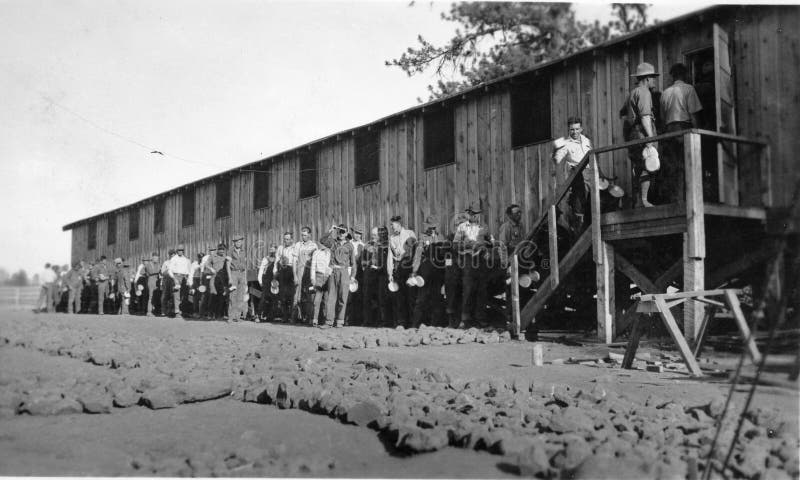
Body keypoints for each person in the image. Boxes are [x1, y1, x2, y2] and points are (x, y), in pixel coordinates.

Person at [660, 62, 703, 203]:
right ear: (684, 74)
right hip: (684, 128)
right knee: (689, 164)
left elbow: (662, 118)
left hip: (669, 131)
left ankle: (677, 200)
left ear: (673, 76)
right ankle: (690, 199)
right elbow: (694, 115)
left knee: (674, 166)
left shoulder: (665, 93)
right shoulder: (689, 89)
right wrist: (698, 134)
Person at [625, 62, 661, 208]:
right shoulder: (644, 92)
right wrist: (651, 138)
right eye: (653, 78)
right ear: (647, 78)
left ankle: (638, 201)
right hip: (642, 133)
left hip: (634, 133)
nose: (654, 81)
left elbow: (624, 114)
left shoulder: (632, 93)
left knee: (638, 168)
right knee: (649, 165)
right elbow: (646, 117)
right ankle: (644, 200)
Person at [552, 117, 595, 232]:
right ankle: (581, 225)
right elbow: (557, 159)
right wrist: (556, 146)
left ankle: (590, 221)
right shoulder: (566, 143)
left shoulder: (587, 140)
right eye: (572, 130)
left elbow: (593, 157)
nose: (574, 132)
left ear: (581, 129)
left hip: (590, 173)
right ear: (568, 130)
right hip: (577, 174)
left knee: (594, 197)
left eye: (577, 129)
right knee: (579, 200)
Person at [454, 205, 490, 328]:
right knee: (468, 289)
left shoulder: (483, 227)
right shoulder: (462, 227)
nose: (475, 216)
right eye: (473, 213)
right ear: (468, 214)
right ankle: (465, 319)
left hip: (481, 260)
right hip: (468, 260)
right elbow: (455, 245)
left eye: (477, 213)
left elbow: (491, 242)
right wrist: (467, 245)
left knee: (482, 290)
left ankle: (481, 318)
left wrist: (485, 245)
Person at [411, 216, 446, 328]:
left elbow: (446, 255)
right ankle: (415, 324)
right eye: (430, 227)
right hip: (425, 271)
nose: (432, 229)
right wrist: (414, 271)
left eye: (434, 227)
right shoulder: (422, 237)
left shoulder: (441, 237)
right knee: (421, 298)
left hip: (438, 272)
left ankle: (435, 324)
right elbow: (418, 255)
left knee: (437, 298)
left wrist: (446, 271)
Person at [320, 224, 354, 328]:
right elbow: (322, 240)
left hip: (344, 272)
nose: (341, 234)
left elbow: (353, 263)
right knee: (331, 297)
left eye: (343, 232)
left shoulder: (350, 246)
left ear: (347, 233)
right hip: (333, 271)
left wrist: (352, 276)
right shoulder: (333, 242)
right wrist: (331, 229)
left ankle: (340, 321)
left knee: (342, 298)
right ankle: (329, 321)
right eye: (339, 231)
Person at [386, 215, 417, 327]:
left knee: (411, 297)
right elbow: (390, 257)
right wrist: (390, 273)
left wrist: (414, 271)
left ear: (399, 224)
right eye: (391, 225)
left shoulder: (410, 234)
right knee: (399, 298)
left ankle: (413, 322)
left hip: (408, 269)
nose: (391, 227)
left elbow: (416, 253)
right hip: (398, 270)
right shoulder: (392, 238)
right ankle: (401, 322)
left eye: (393, 225)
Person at [362, 226, 391, 327]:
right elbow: (363, 260)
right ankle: (368, 321)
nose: (373, 236)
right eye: (372, 235)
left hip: (381, 275)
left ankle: (382, 321)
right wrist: (367, 265)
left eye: (375, 235)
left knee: (381, 298)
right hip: (370, 275)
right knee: (368, 298)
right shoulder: (368, 245)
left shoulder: (386, 245)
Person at [445, 213, 469, 328]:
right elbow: (445, 254)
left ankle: (463, 321)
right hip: (452, 272)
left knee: (464, 297)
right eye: (458, 225)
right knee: (451, 296)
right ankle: (451, 322)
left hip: (465, 272)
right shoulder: (450, 238)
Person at [293, 227, 318, 323]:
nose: (303, 237)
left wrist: (313, 276)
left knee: (309, 295)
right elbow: (295, 261)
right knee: (297, 295)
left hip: (309, 273)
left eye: (305, 235)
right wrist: (295, 275)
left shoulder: (314, 245)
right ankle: (295, 317)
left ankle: (309, 317)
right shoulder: (298, 245)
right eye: (302, 235)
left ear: (309, 235)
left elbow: (315, 261)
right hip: (299, 272)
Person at [273, 232, 297, 322]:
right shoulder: (280, 248)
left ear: (291, 239)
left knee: (291, 294)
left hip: (291, 270)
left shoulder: (295, 247)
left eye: (288, 239)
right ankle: (285, 316)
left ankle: (292, 316)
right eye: (285, 239)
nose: (286, 241)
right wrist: (275, 271)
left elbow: (296, 261)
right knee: (283, 295)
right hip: (282, 271)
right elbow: (276, 260)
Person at [345, 224, 366, 326]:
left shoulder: (363, 245)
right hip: (348, 271)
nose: (357, 235)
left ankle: (357, 320)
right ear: (352, 233)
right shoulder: (348, 244)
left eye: (359, 234)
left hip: (359, 274)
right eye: (356, 233)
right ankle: (347, 319)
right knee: (348, 297)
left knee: (358, 297)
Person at [309, 240, 332, 326]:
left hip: (327, 277)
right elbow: (313, 265)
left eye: (322, 243)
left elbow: (330, 265)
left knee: (326, 299)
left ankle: (325, 319)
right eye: (320, 243)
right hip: (318, 276)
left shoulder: (330, 253)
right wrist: (313, 278)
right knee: (316, 300)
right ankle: (314, 319)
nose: (320, 245)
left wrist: (327, 275)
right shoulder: (316, 253)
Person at [166, 245, 192, 318]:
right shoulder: (174, 259)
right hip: (177, 276)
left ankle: (183, 311)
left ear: (183, 251)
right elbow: (170, 270)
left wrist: (188, 279)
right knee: (176, 294)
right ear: (177, 251)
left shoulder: (186, 259)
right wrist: (174, 279)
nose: (181, 251)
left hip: (185, 277)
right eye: (179, 250)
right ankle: (177, 312)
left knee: (185, 295)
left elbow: (189, 270)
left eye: (182, 250)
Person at [204, 243, 228, 319]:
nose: (222, 251)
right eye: (220, 250)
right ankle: (210, 314)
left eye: (223, 250)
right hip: (214, 278)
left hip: (222, 279)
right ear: (218, 249)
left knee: (221, 297)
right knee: (213, 295)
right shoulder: (212, 256)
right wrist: (211, 269)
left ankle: (219, 314)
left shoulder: (225, 257)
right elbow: (206, 264)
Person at [227, 234, 248, 322]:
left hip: (242, 273)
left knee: (240, 295)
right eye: (237, 242)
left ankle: (238, 317)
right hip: (234, 273)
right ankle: (231, 317)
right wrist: (230, 277)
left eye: (240, 241)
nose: (239, 243)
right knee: (233, 295)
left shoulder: (243, 251)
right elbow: (227, 266)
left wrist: (245, 277)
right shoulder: (230, 251)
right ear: (234, 242)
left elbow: (245, 265)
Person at [257, 245, 278, 322]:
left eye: (273, 250)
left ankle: (270, 316)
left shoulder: (277, 259)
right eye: (271, 250)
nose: (272, 251)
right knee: (263, 298)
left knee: (274, 298)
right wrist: (260, 281)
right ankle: (258, 315)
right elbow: (261, 269)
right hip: (266, 280)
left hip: (274, 280)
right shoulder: (265, 259)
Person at [160, 249, 176, 316]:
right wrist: (168, 270)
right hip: (166, 280)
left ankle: (172, 310)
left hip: (174, 280)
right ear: (169, 255)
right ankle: (164, 311)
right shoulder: (166, 262)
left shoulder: (177, 262)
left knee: (173, 295)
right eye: (171, 255)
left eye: (173, 255)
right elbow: (162, 272)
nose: (172, 256)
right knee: (165, 296)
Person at [189, 253, 203, 318]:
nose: (201, 258)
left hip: (203, 280)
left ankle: (202, 312)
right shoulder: (194, 264)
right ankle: (195, 312)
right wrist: (191, 285)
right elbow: (191, 274)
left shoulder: (205, 263)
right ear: (198, 258)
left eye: (202, 257)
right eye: (199, 257)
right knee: (196, 297)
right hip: (196, 280)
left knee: (203, 296)